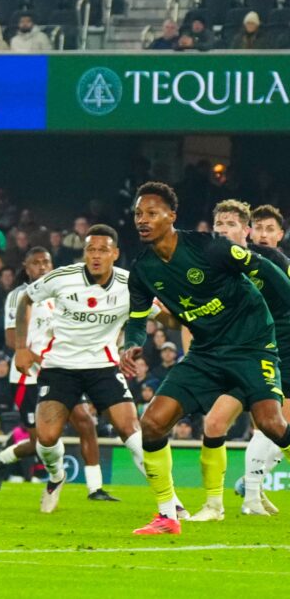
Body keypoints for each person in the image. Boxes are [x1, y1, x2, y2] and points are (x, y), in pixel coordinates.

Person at [121, 183, 290, 535]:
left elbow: (266, 271)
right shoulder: (143, 270)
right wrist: (133, 344)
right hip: (206, 352)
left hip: (251, 345)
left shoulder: (207, 247)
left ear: (172, 216)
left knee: (272, 424)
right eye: (139, 213)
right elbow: (138, 318)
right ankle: (168, 515)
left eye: (152, 213)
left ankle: (228, 501)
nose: (143, 220)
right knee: (152, 423)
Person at [14, 225, 158, 515]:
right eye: (91, 249)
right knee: (47, 438)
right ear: (84, 253)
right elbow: (25, 299)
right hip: (59, 368)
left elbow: (159, 313)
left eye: (103, 250)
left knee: (132, 431)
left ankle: (170, 503)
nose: (96, 256)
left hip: (103, 367)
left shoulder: (131, 284)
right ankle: (56, 477)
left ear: (115, 254)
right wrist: (20, 346)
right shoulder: (62, 278)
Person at [0, 246, 117, 500]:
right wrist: (40, 358)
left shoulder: (61, 295)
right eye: (36, 263)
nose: (42, 267)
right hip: (28, 378)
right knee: (43, 442)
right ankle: (4, 458)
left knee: (86, 422)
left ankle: (95, 488)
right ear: (26, 267)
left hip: (62, 373)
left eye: (46, 262)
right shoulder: (19, 296)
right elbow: (11, 338)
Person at [189, 200, 290, 519]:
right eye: (258, 228)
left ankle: (250, 491)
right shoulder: (214, 265)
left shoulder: (274, 261)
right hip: (238, 354)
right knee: (219, 422)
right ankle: (230, 498)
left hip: (277, 352)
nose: (262, 234)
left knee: (272, 425)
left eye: (268, 229)